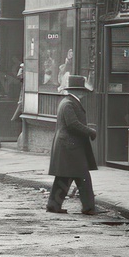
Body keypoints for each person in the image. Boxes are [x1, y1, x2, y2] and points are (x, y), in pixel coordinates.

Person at [46, 74, 98, 215]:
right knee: (83, 177)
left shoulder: (67, 101)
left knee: (64, 177)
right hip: (71, 147)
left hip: (68, 147)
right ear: (78, 91)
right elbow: (72, 124)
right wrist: (90, 132)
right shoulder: (69, 103)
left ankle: (53, 205)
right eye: (82, 91)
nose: (84, 94)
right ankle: (89, 208)